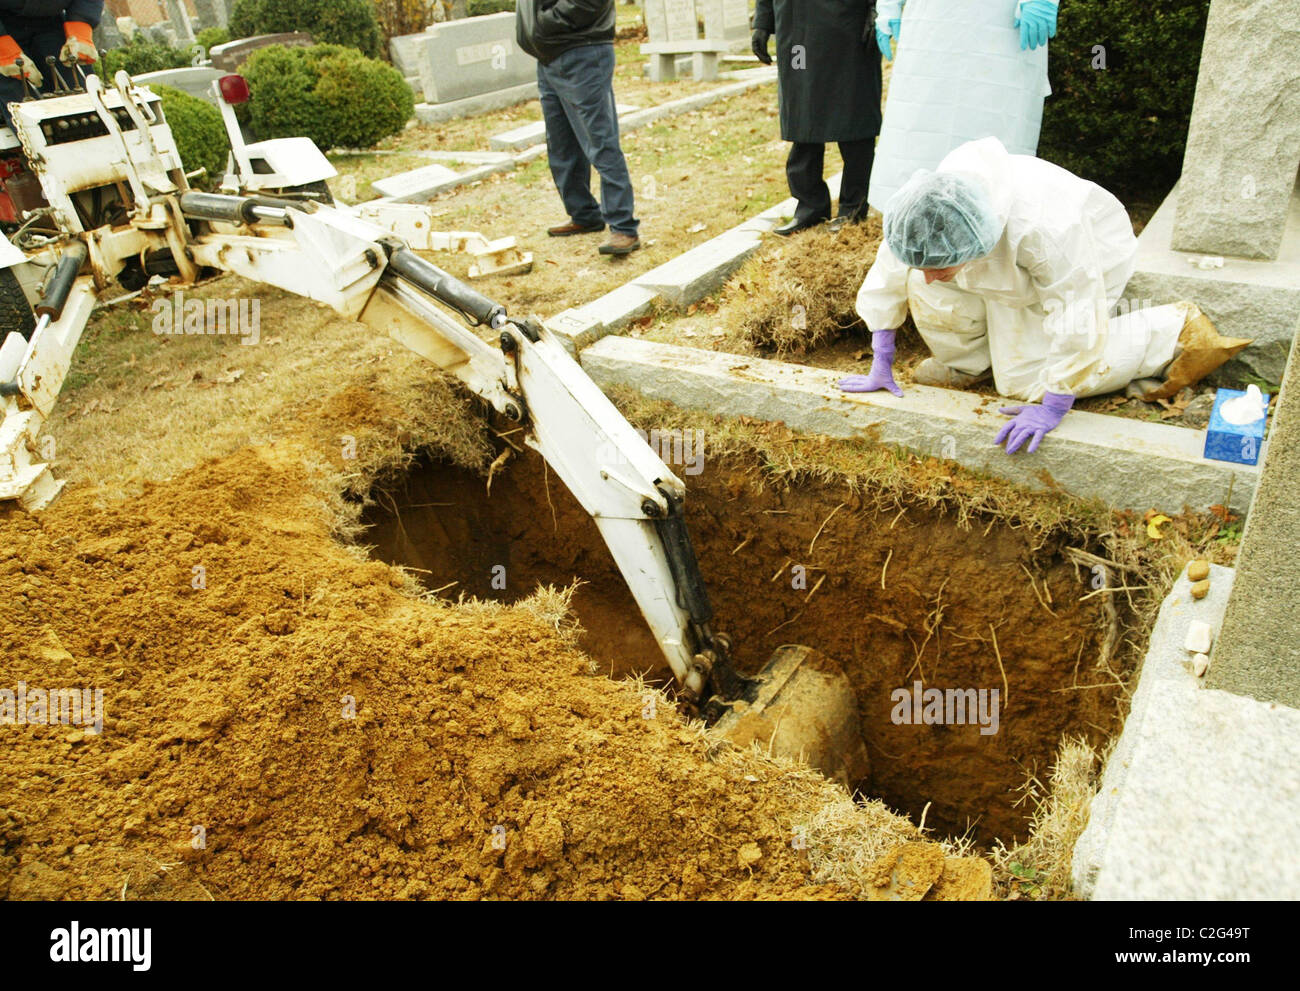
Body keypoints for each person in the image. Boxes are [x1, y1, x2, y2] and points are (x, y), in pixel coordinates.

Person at [838, 137, 1223, 455]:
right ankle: (971, 365)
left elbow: (1076, 312)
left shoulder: (1045, 229)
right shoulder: (927, 209)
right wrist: (881, 358)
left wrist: (1054, 403)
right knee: (923, 285)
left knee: (1023, 383)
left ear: (977, 244)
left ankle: (1171, 330)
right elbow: (888, 272)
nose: (929, 276)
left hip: (1089, 262)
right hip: (996, 263)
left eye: (938, 265)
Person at [869, 0, 1058, 213]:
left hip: (1000, 32)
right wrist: (888, 7)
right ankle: (915, 224)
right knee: (922, 128)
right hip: (931, 31)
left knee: (995, 138)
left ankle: (993, 226)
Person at [516, 0, 640, 257]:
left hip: (581, 50)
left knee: (600, 141)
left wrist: (542, 22)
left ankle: (623, 226)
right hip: (549, 55)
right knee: (562, 144)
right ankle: (584, 214)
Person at [752, 0, 882, 236]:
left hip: (848, 28)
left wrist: (875, 9)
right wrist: (762, 22)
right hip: (796, 34)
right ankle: (810, 207)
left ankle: (853, 208)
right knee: (803, 109)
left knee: (853, 110)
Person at [0, 1, 101, 133]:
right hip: (5, 25)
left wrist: (80, 27)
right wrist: (3, 51)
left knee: (85, 102)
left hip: (51, 21)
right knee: (26, 113)